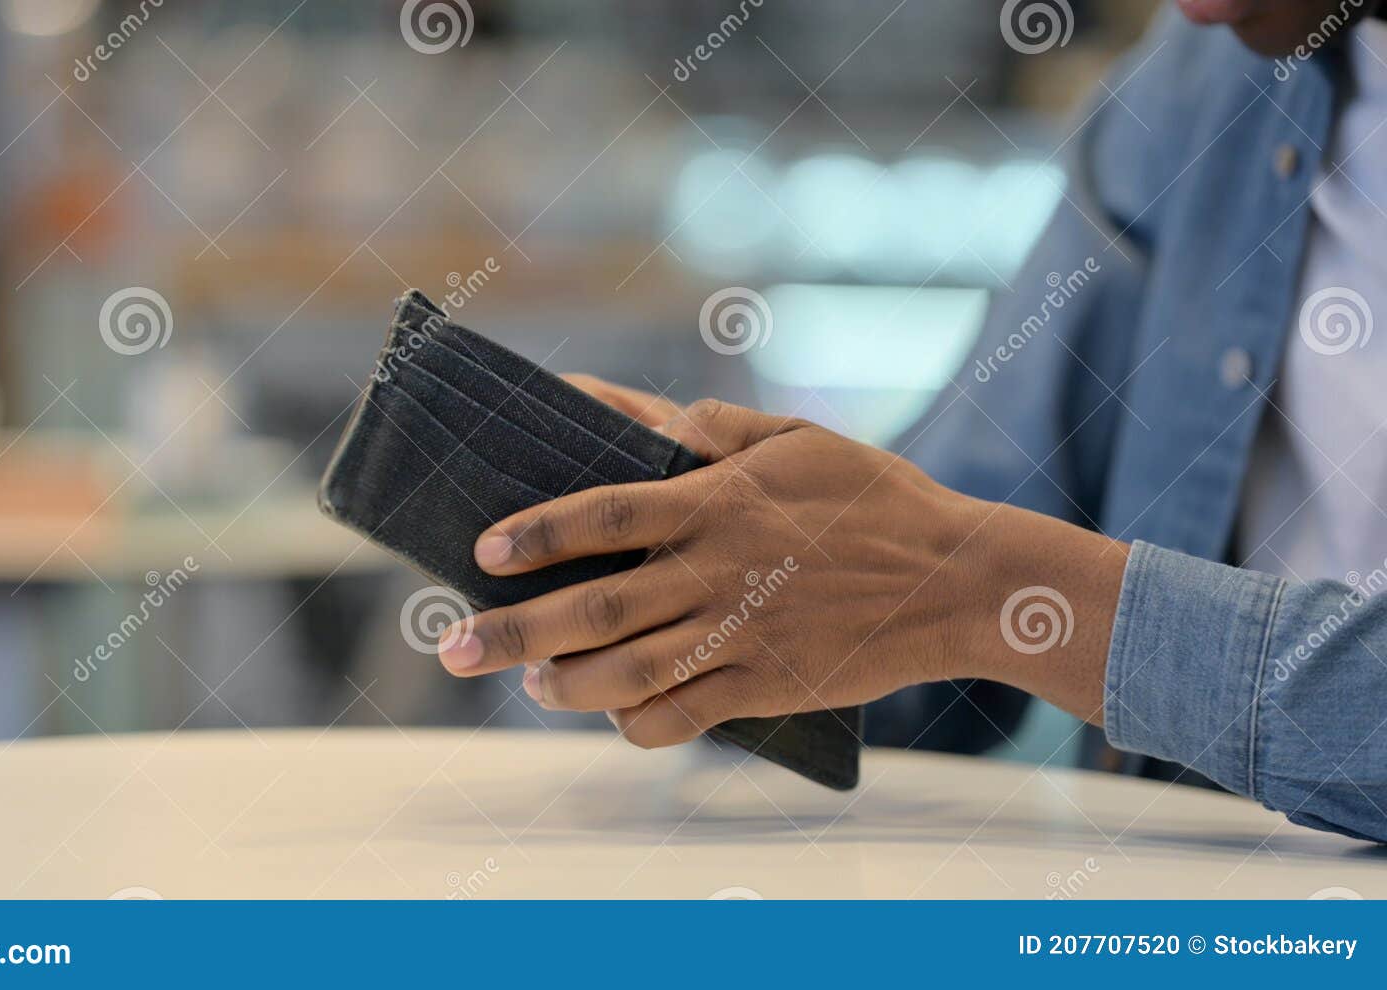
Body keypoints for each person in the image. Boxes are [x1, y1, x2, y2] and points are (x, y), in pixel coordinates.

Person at [432, 0, 1387, 844]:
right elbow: (932, 572)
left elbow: (959, 571)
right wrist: (720, 545)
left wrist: (992, 592)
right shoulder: (1197, 86)